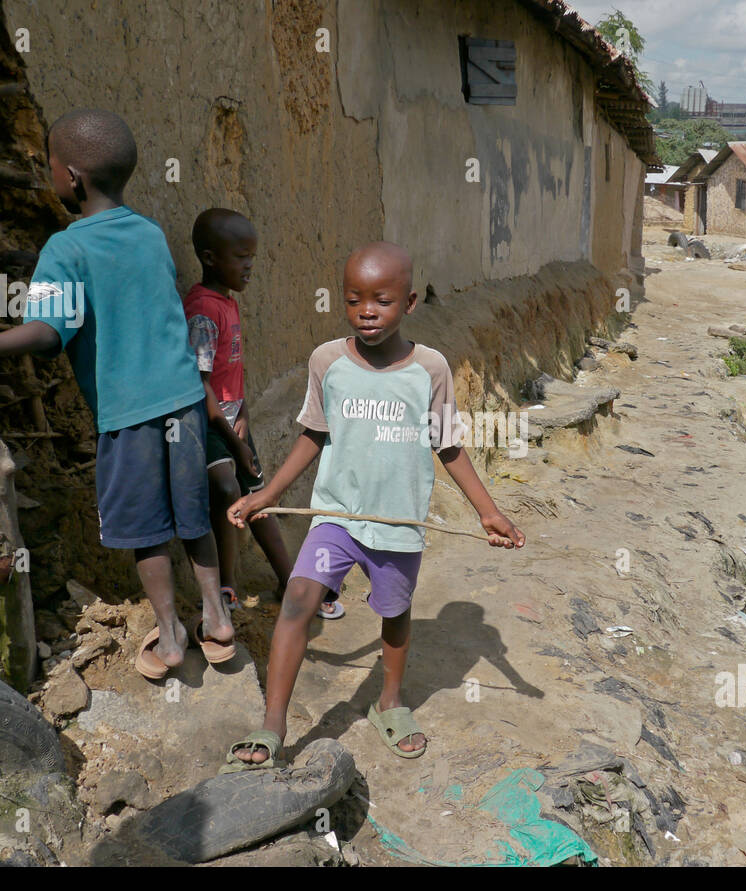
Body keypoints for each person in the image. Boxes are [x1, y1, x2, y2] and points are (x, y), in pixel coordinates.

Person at [0, 108, 234, 679]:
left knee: (147, 530)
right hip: (182, 402)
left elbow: (49, 335)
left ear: (71, 177)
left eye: (50, 165)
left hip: (128, 415)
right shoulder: (150, 233)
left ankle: (173, 639)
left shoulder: (66, 249)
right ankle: (219, 618)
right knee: (193, 514)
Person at [219, 241, 525, 771]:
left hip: (397, 519)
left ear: (408, 303)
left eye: (381, 300)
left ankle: (390, 702)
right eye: (354, 299)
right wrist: (267, 495)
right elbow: (314, 435)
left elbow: (447, 445)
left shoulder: (429, 369)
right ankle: (273, 722)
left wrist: (487, 511)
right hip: (336, 514)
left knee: (394, 612)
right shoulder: (328, 362)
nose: (366, 311)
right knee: (296, 602)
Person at [184, 208, 342, 620]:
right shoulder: (203, 310)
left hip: (234, 420)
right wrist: (235, 437)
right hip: (209, 424)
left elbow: (230, 374)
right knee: (226, 492)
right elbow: (199, 385)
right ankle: (226, 585)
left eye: (252, 256)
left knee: (260, 498)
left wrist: (246, 417)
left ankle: (289, 579)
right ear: (210, 257)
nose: (250, 265)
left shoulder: (227, 303)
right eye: (241, 256)